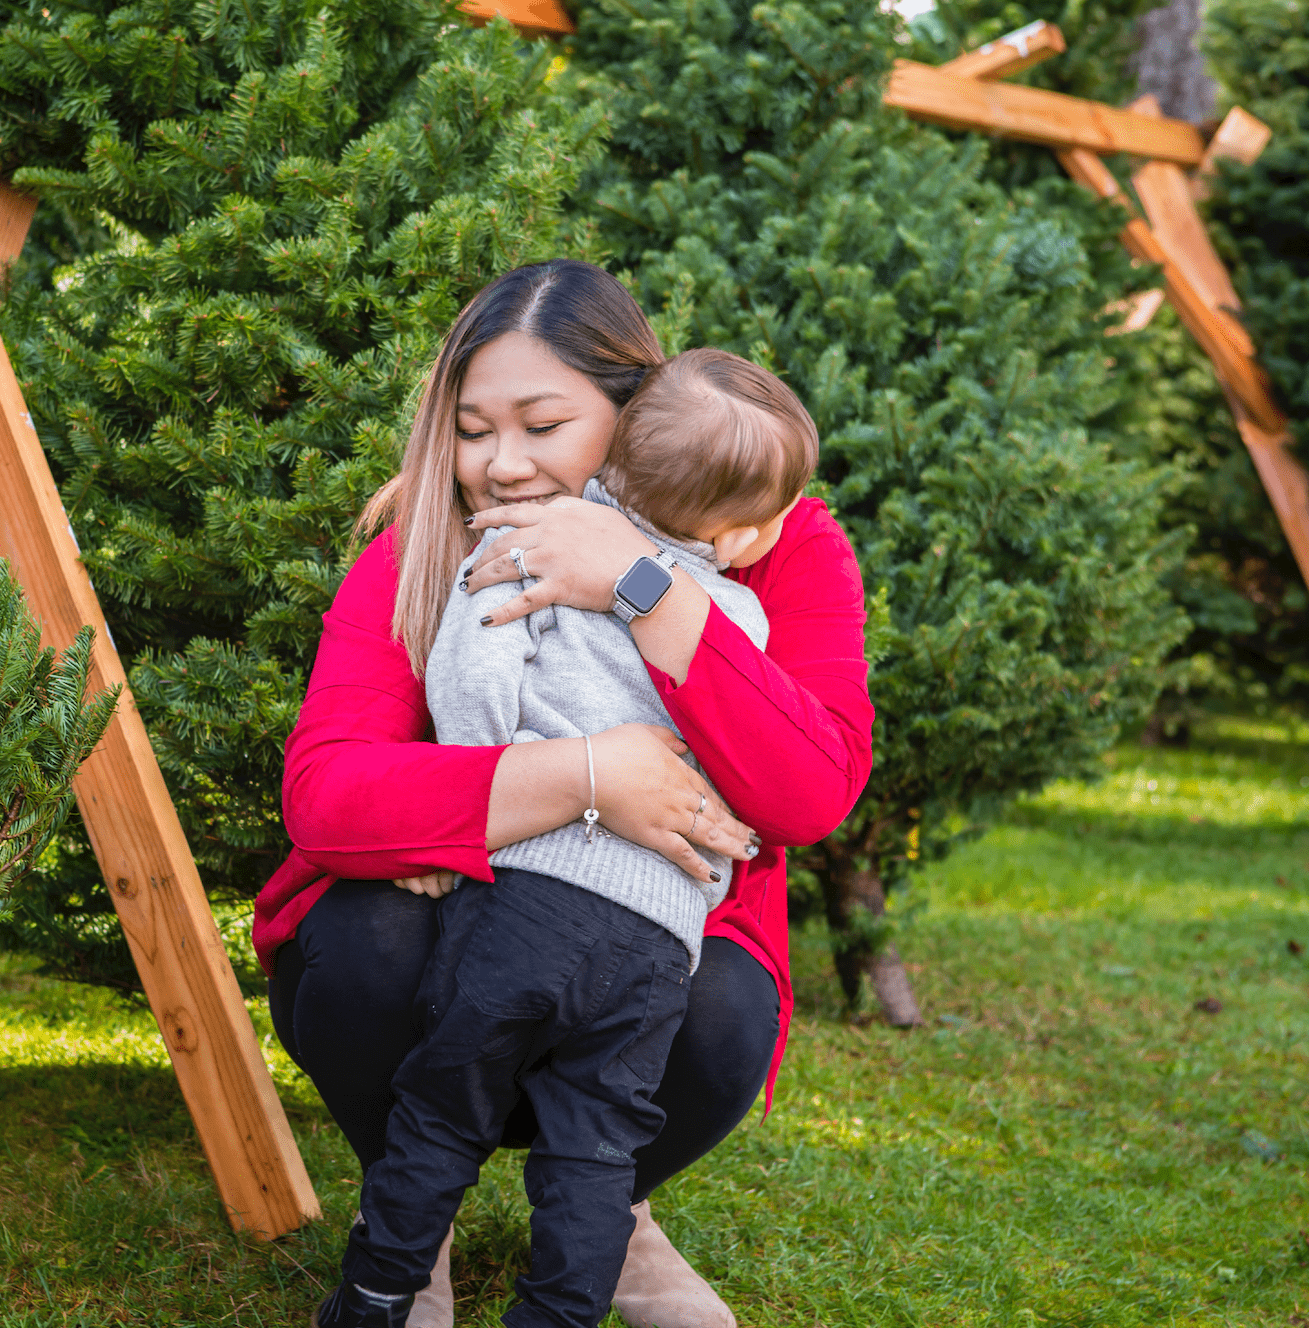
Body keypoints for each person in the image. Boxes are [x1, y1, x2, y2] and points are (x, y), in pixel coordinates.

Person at [257, 260, 874, 1328]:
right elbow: (326, 793)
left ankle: (617, 1208)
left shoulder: (774, 536)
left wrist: (639, 585)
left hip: (646, 943)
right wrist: (592, 779)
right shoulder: (429, 540)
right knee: (360, 945)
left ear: (632, 413)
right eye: (471, 427)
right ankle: (417, 1220)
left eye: (542, 425)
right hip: (466, 928)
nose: (500, 465)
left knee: (723, 1007)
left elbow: (809, 791)